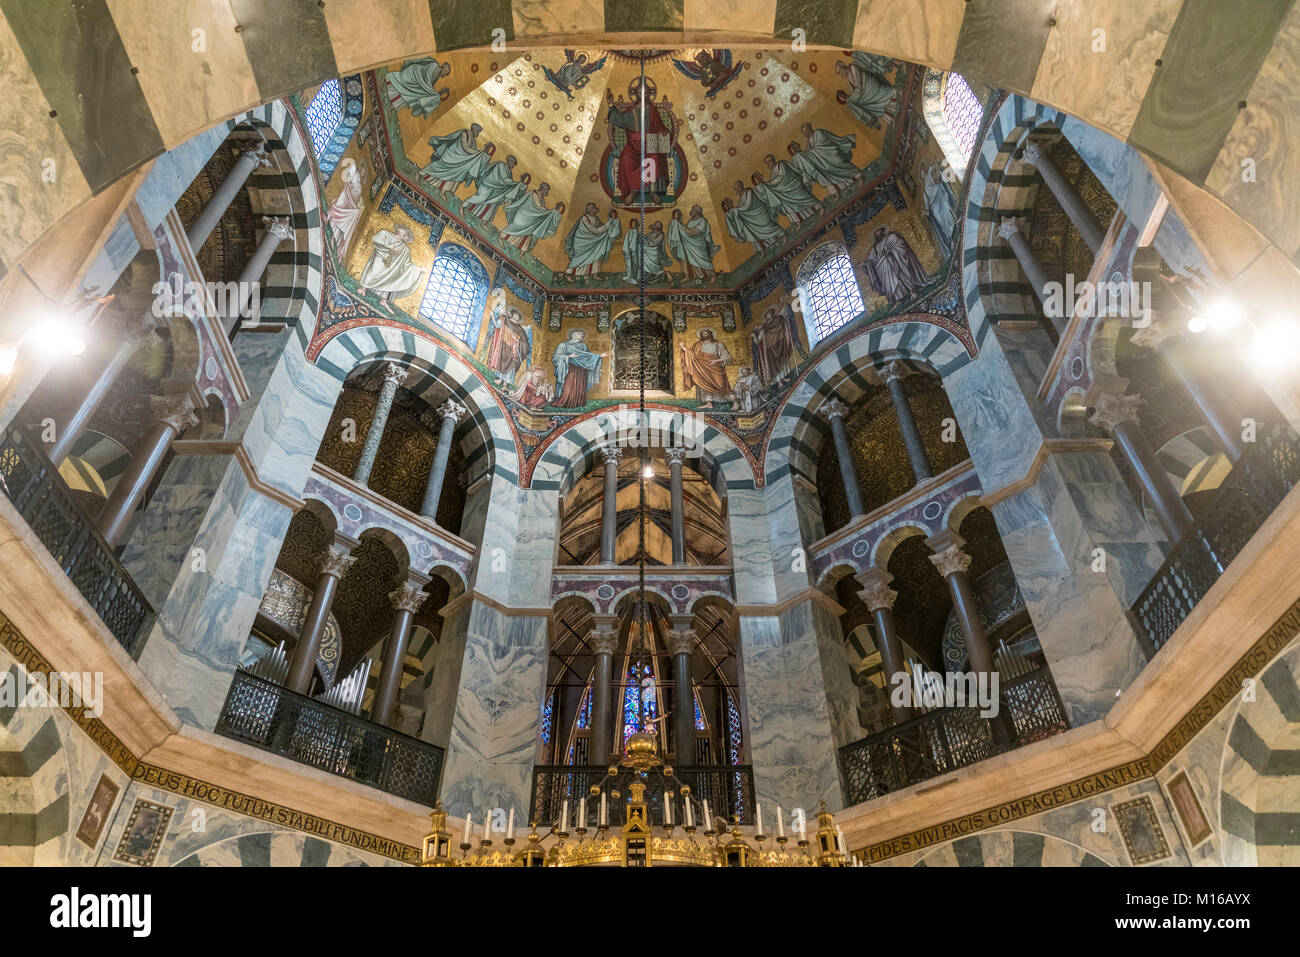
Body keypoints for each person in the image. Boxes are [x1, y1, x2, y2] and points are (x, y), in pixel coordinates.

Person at [605, 78, 676, 203]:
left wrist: (663, 133)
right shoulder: (631, 111)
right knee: (626, 158)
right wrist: (611, 105)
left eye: (645, 92)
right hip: (633, 146)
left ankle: (653, 192)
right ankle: (632, 192)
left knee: (653, 157)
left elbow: (660, 127)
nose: (642, 95)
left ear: (649, 94)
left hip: (650, 144)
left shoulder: (653, 111)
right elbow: (620, 120)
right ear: (636, 94)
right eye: (639, 92)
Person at [861, 227, 933, 304]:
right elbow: (870, 260)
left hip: (895, 261)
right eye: (876, 234)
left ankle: (912, 292)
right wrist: (864, 265)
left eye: (879, 232)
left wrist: (891, 251)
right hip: (884, 271)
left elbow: (901, 244)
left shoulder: (891, 237)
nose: (878, 235)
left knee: (901, 276)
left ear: (883, 231)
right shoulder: (875, 248)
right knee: (890, 284)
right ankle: (897, 300)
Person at [356, 225, 422, 306]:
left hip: (392, 266)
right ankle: (363, 288)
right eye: (404, 234)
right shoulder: (385, 233)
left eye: (405, 236)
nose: (404, 237)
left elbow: (407, 263)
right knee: (374, 272)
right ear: (399, 231)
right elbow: (375, 238)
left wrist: (418, 270)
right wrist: (389, 246)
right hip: (381, 257)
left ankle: (383, 300)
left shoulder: (405, 248)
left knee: (390, 280)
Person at [791, 125, 860, 196]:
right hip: (824, 161)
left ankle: (860, 177)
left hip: (831, 154)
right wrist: (803, 154)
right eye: (804, 132)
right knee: (827, 172)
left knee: (840, 164)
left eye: (805, 130)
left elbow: (821, 144)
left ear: (809, 128)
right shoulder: (809, 141)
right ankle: (845, 188)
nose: (805, 133)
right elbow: (809, 152)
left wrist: (809, 153)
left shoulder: (818, 133)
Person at [835, 52, 897, 128]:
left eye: (840, 71)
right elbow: (856, 91)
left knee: (863, 102)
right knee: (864, 104)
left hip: (871, 85)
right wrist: (851, 99)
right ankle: (891, 119)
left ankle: (893, 105)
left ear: (843, 66)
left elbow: (858, 87)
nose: (841, 74)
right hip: (865, 91)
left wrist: (850, 98)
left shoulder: (853, 67)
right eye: (839, 73)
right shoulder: (848, 78)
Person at [422, 124, 489, 192]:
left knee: (455, 175)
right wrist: (479, 152)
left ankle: (442, 191)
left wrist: (481, 152)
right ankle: (420, 174)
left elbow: (472, 152)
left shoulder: (473, 139)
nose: (478, 133)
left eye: (479, 132)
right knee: (439, 167)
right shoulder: (465, 133)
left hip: (459, 159)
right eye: (477, 131)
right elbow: (465, 148)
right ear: (473, 129)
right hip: (452, 156)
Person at [724, 179, 785, 252]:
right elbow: (742, 211)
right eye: (735, 189)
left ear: (742, 186)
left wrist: (736, 210)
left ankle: (783, 234)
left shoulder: (749, 192)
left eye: (738, 187)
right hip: (753, 218)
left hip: (760, 214)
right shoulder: (741, 198)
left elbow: (747, 206)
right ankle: (773, 243)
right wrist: (734, 211)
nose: (737, 190)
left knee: (768, 226)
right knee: (759, 233)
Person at [751, 304, 806, 385]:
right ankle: (778, 382)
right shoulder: (764, 328)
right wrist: (754, 336)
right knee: (773, 366)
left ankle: (784, 377)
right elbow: (758, 341)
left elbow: (784, 323)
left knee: (783, 360)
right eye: (767, 315)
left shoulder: (778, 320)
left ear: (773, 313)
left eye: (770, 313)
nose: (768, 315)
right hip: (770, 349)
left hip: (780, 344)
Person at [500, 183, 563, 251]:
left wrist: (552, 212)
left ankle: (522, 251)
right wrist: (551, 211)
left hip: (530, 220)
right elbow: (538, 207)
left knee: (528, 235)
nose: (547, 192)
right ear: (542, 188)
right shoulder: (534, 194)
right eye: (546, 190)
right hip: (523, 216)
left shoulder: (542, 199)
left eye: (548, 190)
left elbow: (543, 211)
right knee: (514, 228)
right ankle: (500, 238)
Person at [679, 327, 733, 408]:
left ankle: (734, 401)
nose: (704, 335)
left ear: (710, 334)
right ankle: (709, 403)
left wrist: (716, 361)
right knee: (704, 385)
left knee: (721, 385)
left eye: (706, 333)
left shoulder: (718, 344)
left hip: (715, 367)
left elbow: (726, 357)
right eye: (703, 333)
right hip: (702, 368)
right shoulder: (697, 345)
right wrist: (683, 347)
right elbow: (692, 355)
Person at [759, 154, 820, 225]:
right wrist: (767, 184)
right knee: (791, 206)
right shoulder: (773, 172)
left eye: (769, 161)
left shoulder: (781, 164)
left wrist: (768, 184)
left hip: (794, 186)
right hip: (787, 192)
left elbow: (780, 178)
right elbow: (776, 185)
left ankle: (820, 207)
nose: (769, 163)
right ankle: (803, 220)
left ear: (773, 160)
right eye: (767, 162)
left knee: (805, 198)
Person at [564, 203, 621, 276]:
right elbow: (594, 231)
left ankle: (595, 275)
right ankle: (567, 274)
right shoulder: (584, 219)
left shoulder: (596, 219)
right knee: (578, 258)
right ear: (590, 210)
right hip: (582, 242)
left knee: (598, 253)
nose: (595, 209)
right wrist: (608, 224)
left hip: (592, 241)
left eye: (594, 208)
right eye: (593, 208)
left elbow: (603, 229)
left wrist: (611, 220)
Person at [482, 304, 532, 388]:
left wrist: (518, 343)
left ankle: (506, 383)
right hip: (503, 346)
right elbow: (497, 326)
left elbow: (525, 344)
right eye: (515, 314)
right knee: (501, 362)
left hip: (513, 350)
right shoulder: (505, 320)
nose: (517, 316)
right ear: (512, 314)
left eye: (518, 316)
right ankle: (500, 379)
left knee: (510, 365)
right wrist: (493, 317)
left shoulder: (521, 330)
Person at [551, 329, 604, 407]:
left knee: (580, 386)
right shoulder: (564, 345)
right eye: (580, 334)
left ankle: (577, 403)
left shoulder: (583, 346)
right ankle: (563, 401)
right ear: (574, 335)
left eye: (583, 335)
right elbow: (556, 357)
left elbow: (587, 356)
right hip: (569, 369)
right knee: (568, 386)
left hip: (581, 370)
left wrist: (598, 356)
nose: (582, 336)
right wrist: (568, 356)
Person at [463, 154, 524, 221]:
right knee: (480, 197)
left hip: (496, 190)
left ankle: (484, 222)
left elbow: (508, 185)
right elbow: (504, 179)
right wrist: (516, 183)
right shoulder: (501, 165)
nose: (513, 164)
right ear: (508, 160)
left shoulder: (509, 172)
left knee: (493, 205)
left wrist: (516, 185)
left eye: (514, 163)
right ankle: (462, 206)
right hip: (488, 185)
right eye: (512, 161)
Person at [666, 205, 720, 282]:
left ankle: (713, 275)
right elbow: (686, 231)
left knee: (702, 259)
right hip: (689, 242)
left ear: (698, 212)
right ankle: (688, 275)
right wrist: (677, 224)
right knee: (685, 257)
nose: (692, 211)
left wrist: (680, 225)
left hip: (698, 244)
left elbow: (692, 232)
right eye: (692, 209)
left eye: (694, 210)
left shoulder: (702, 221)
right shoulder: (691, 221)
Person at [326, 157, 364, 260]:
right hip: (345, 195)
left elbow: (356, 196)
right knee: (341, 209)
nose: (363, 172)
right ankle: (330, 219)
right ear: (360, 168)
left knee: (352, 216)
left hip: (350, 203)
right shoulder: (354, 171)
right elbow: (348, 177)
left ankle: (335, 238)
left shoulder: (360, 186)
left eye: (364, 172)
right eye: (363, 169)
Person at [386, 58, 452, 116]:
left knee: (410, 98)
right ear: (443, 66)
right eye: (445, 71)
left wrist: (437, 94)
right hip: (414, 74)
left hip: (418, 84)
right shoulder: (434, 65)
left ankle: (391, 108)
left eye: (446, 74)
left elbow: (430, 86)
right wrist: (434, 93)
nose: (444, 74)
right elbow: (427, 78)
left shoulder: (437, 76)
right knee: (400, 81)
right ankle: (386, 78)